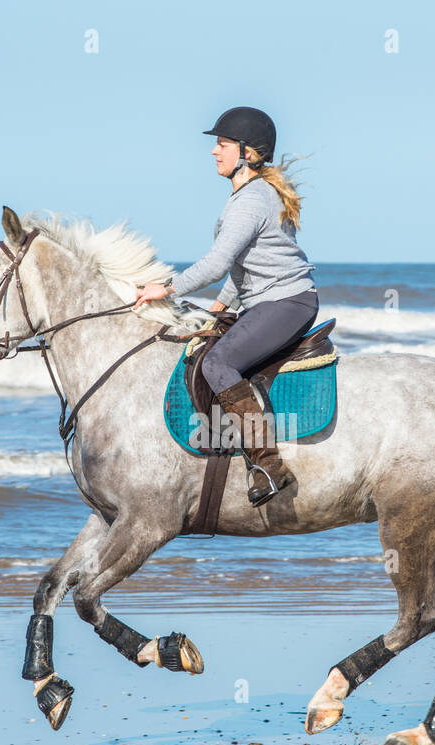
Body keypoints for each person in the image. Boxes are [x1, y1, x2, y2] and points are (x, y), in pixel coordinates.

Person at [134, 106, 318, 507]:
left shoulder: (250, 201)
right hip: (270, 299)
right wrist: (216, 309)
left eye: (222, 145)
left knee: (218, 364)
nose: (215, 153)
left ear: (248, 153)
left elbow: (216, 263)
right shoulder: (250, 196)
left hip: (286, 301)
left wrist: (164, 288)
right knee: (206, 343)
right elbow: (240, 270)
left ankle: (270, 466)